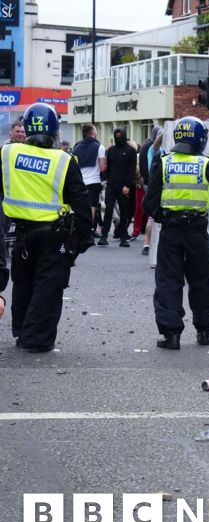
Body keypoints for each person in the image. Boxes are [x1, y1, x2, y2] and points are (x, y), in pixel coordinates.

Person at [0, 103, 92, 352]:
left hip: (20, 233)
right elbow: (80, 200)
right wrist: (85, 236)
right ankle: (36, 339)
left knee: (23, 282)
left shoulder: (8, 153)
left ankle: (21, 330)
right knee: (47, 286)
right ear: (54, 129)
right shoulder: (63, 160)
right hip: (54, 234)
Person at [143, 116, 209, 350]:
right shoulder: (208, 166)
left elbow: (148, 204)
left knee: (168, 282)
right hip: (197, 232)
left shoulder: (162, 163)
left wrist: (163, 215)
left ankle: (171, 335)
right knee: (202, 280)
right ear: (200, 139)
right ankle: (204, 330)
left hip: (171, 232)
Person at [99, 127, 138, 247]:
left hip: (124, 185)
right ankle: (104, 235)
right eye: (116, 135)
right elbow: (108, 167)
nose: (118, 137)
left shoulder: (131, 151)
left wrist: (128, 185)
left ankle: (123, 237)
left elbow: (132, 170)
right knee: (109, 210)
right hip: (111, 184)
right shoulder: (110, 151)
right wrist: (105, 180)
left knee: (124, 212)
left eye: (120, 134)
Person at [72, 124, 106, 233]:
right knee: (92, 206)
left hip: (80, 180)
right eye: (95, 131)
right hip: (94, 181)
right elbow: (102, 167)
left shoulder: (76, 147)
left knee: (81, 207)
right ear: (92, 133)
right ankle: (89, 229)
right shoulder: (99, 147)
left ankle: (79, 228)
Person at [133, 127, 159, 241]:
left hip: (145, 181)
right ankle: (146, 235)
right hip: (150, 181)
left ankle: (138, 231)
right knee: (148, 209)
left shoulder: (144, 147)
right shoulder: (151, 148)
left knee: (141, 207)